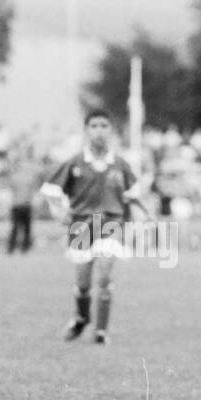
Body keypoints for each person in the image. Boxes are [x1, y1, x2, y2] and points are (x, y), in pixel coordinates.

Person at [41, 109, 151, 344]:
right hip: (81, 225)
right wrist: (59, 210)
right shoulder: (76, 162)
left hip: (110, 223)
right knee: (82, 282)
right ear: (87, 130)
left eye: (103, 126)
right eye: (94, 126)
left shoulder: (119, 164)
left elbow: (133, 194)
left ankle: (100, 331)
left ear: (110, 130)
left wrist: (142, 215)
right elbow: (50, 191)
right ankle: (81, 319)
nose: (99, 131)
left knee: (104, 272)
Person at [5, 145, 41, 254]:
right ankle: (18, 247)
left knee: (20, 228)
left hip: (22, 205)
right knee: (20, 228)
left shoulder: (18, 177)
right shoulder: (19, 177)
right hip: (20, 205)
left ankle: (17, 248)